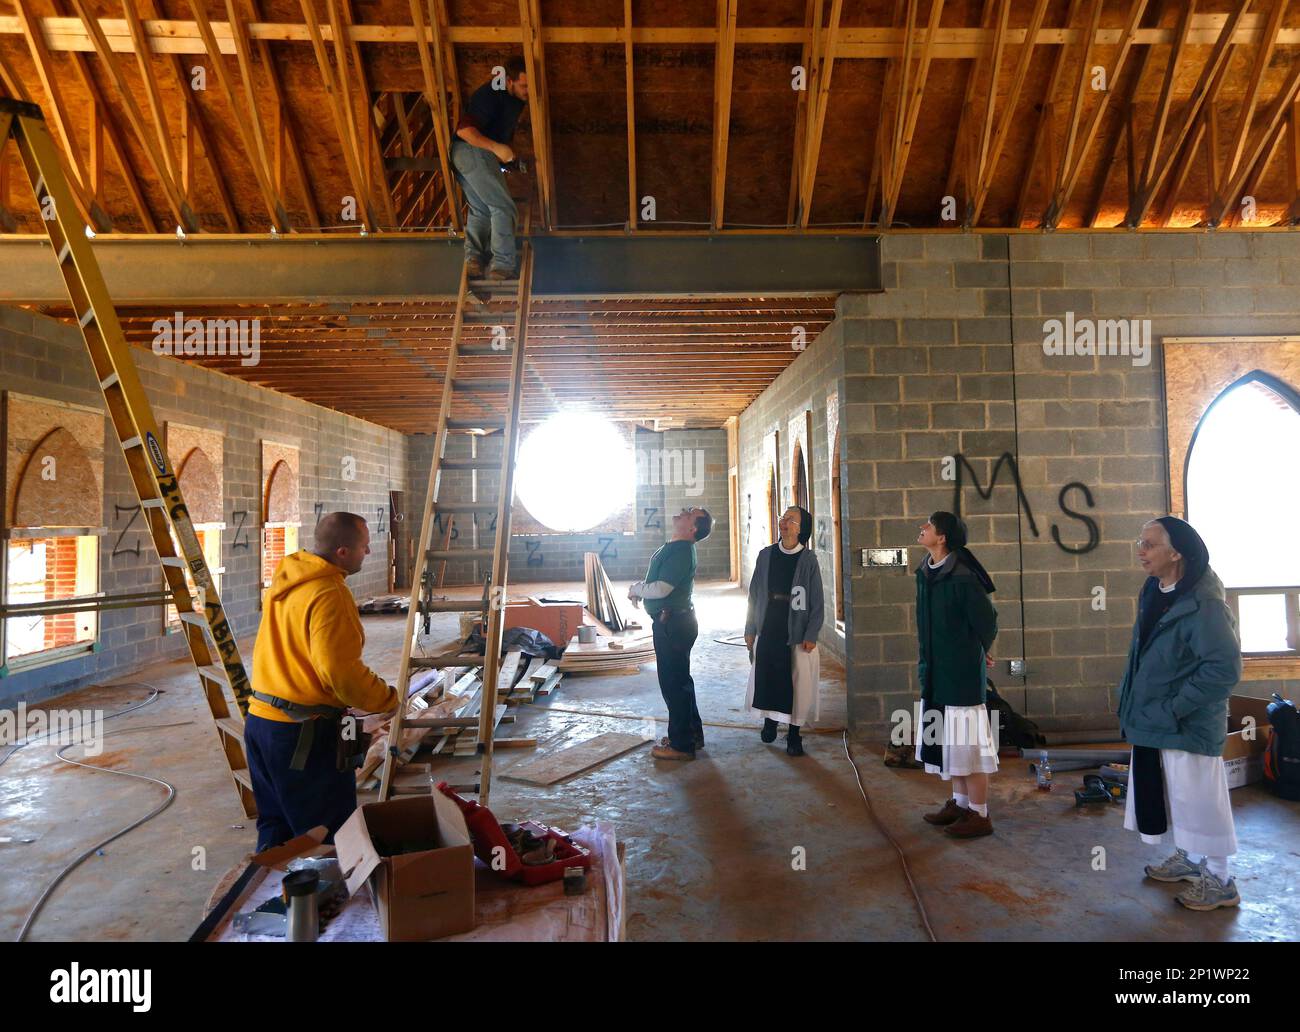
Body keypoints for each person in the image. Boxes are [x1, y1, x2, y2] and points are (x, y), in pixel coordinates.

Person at [247, 512, 398, 850]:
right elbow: (340, 671)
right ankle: (330, 902)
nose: (369, 553)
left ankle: (271, 899)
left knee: (278, 830)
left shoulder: (288, 580)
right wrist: (386, 699)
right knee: (328, 838)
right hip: (303, 735)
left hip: (261, 723)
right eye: (364, 546)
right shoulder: (329, 592)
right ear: (343, 551)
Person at [1119, 516, 1243, 911]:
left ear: (1176, 553)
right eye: (1141, 541)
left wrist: (1174, 708)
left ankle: (1221, 879)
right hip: (1155, 718)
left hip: (1185, 722)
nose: (1141, 550)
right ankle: (1189, 859)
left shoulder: (1204, 603)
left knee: (1201, 799)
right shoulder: (1156, 591)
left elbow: (1222, 669)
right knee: (1175, 796)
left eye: (1150, 544)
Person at [914, 511, 1000, 839]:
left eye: (929, 525)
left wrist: (981, 648)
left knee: (970, 746)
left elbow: (987, 620)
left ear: (943, 536)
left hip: (961, 675)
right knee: (951, 745)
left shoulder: (963, 576)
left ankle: (979, 814)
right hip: (936, 672)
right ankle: (960, 804)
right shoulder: (926, 572)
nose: (922, 528)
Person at [628, 507, 713, 761]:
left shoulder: (682, 551)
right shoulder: (677, 546)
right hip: (675, 622)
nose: (682, 511)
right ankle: (689, 735)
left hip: (673, 624)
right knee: (680, 682)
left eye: (689, 513)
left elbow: (662, 589)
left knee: (673, 684)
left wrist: (636, 589)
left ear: (693, 528)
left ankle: (681, 745)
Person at [744, 506, 823, 756]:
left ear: (801, 529)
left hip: (796, 627)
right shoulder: (766, 555)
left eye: (791, 519)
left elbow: (817, 600)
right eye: (783, 518)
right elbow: (754, 594)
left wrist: (811, 633)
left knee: (796, 681)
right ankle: (770, 721)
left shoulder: (808, 559)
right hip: (769, 622)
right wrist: (750, 627)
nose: (784, 522)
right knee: (768, 675)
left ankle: (794, 734)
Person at [453, 56, 529, 280]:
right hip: (472, 151)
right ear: (508, 81)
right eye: (523, 86)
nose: (527, 91)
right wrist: (497, 148)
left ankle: (473, 261)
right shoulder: (492, 94)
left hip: (462, 157)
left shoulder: (513, 102)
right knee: (503, 207)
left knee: (481, 210)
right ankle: (503, 264)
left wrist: (507, 155)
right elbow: (465, 131)